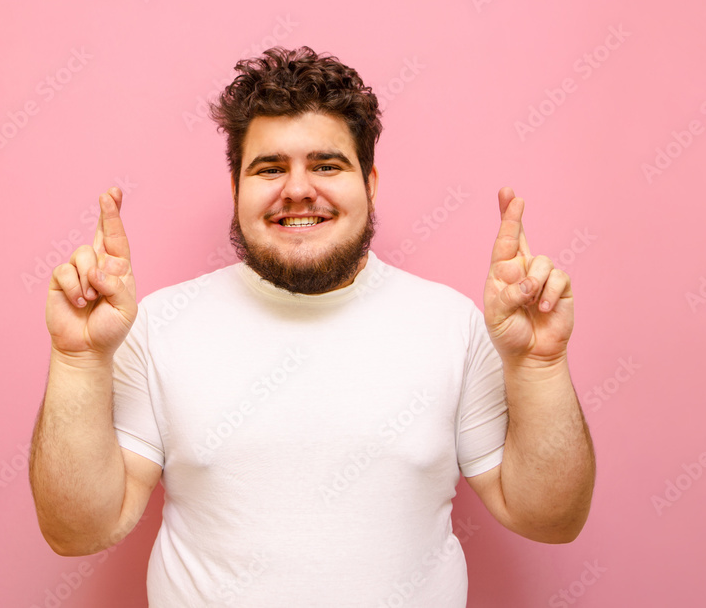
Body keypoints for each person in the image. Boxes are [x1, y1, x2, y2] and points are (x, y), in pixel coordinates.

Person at [29, 46, 595, 606]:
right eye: (270, 168)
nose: (298, 189)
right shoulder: (157, 325)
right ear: (236, 191)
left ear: (370, 184)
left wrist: (539, 365)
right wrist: (78, 360)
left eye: (326, 165)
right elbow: (77, 530)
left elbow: (548, 518)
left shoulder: (453, 325)